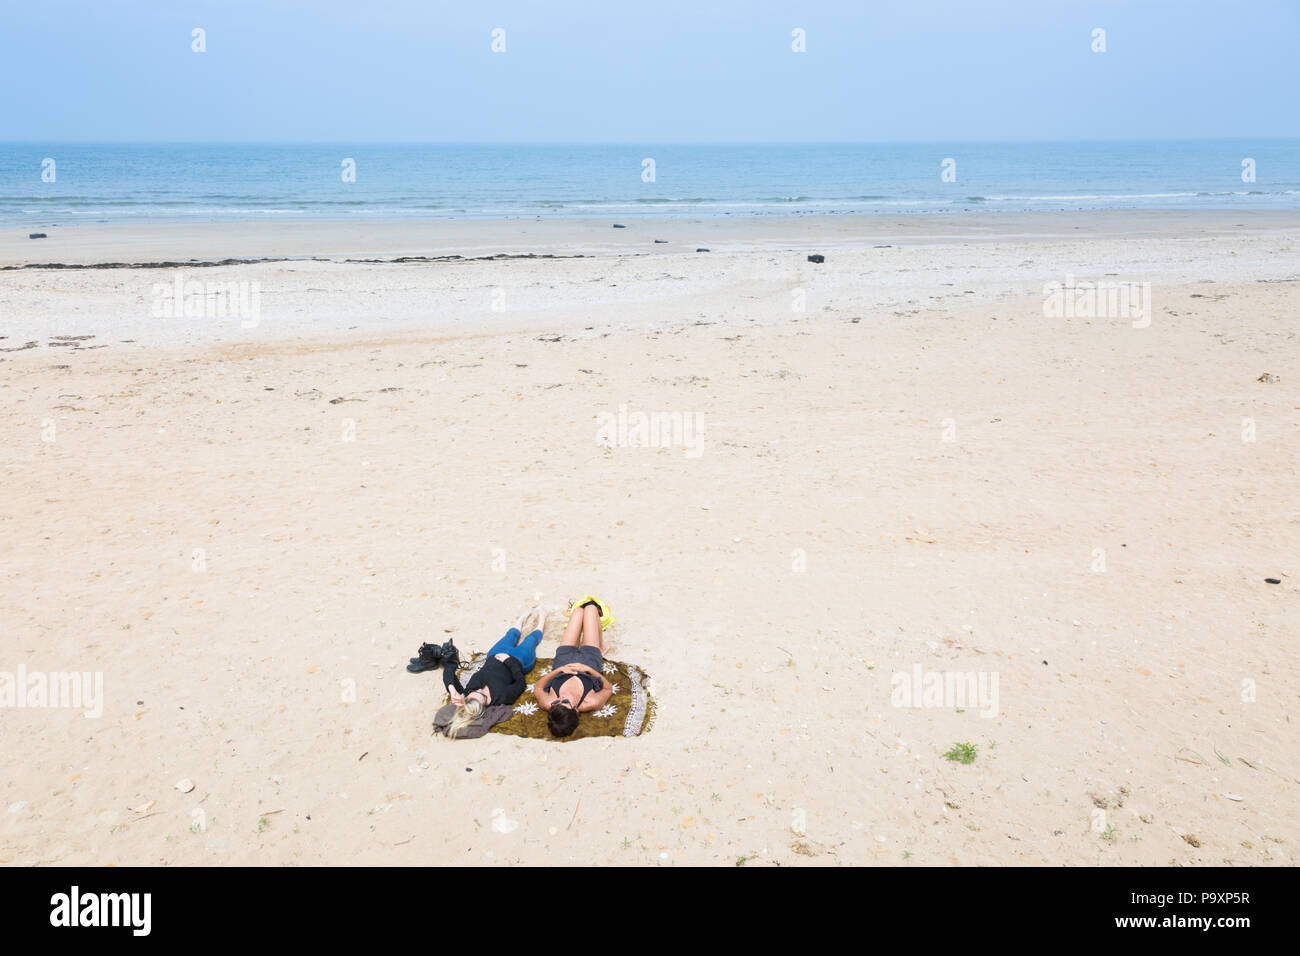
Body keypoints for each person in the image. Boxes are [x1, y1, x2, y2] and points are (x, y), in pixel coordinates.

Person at [442, 606, 546, 738]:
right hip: (519, 660)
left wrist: (452, 689)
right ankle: (542, 620)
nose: (478, 690)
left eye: (474, 692)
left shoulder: (467, 693)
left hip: (494, 654)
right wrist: (509, 661)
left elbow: (449, 671)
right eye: (481, 695)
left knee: (511, 635)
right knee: (531, 640)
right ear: (484, 705)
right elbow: (520, 683)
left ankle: (522, 619)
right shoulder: (501, 697)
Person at [533, 600, 613, 738]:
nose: (561, 698)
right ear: (576, 710)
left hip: (563, 659)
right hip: (589, 659)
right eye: (565, 702)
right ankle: (599, 647)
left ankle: (585, 625)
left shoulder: (548, 703)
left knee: (578, 612)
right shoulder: (590, 702)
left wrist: (559, 670)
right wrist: (587, 668)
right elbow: (608, 689)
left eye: (556, 702)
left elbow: (538, 688)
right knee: (590, 609)